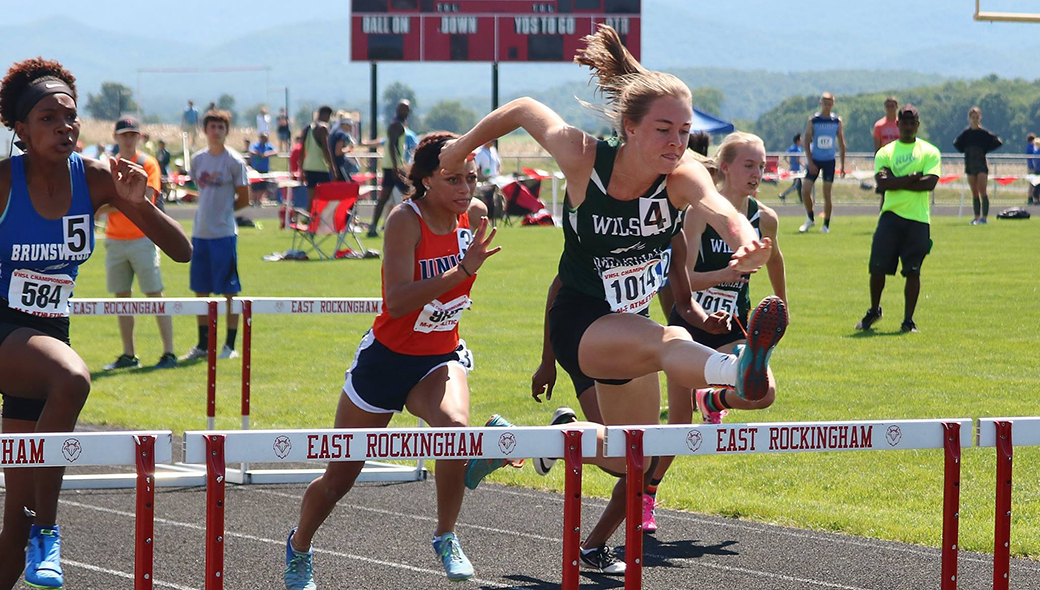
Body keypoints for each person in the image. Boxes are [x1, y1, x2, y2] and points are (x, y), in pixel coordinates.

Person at [443, 24, 787, 574]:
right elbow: (526, 109)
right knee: (671, 338)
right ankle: (731, 369)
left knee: (634, 460)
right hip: (580, 320)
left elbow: (719, 208)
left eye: (684, 130)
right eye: (663, 129)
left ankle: (521, 440)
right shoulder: (582, 158)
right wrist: (462, 148)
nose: (677, 142)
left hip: (627, 325)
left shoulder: (682, 175)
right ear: (629, 128)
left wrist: (745, 242)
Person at [0, 57, 191, 589]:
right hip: (5, 331)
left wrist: (141, 205)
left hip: (46, 336)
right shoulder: (3, 181)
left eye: (71, 116)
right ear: (18, 127)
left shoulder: (100, 179)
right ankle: (51, 531)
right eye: (46, 117)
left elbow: (181, 251)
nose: (64, 126)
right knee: (73, 379)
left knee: (11, 524)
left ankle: (32, 533)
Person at [283, 134, 502, 588]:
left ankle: (446, 534)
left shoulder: (475, 218)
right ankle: (300, 545)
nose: (465, 189)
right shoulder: (405, 221)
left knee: (454, 433)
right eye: (453, 179)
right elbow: (398, 302)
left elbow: (448, 295)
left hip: (439, 356)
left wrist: (464, 271)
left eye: (472, 179)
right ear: (424, 180)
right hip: (386, 361)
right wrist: (462, 272)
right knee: (338, 480)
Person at [646, 131, 788, 532]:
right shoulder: (697, 214)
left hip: (733, 326)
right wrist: (728, 272)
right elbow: (681, 279)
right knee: (675, 426)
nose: (757, 173)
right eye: (748, 164)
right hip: (689, 328)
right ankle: (647, 496)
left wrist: (782, 301)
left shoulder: (765, 218)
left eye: (762, 165)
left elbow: (775, 258)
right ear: (724, 167)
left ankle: (713, 400)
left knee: (762, 393)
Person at [100, 117, 177, 371]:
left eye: (133, 134)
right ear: (116, 137)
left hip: (143, 237)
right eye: (124, 134)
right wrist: (123, 201)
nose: (129, 139)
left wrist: (117, 202)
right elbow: (101, 205)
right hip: (115, 239)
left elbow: (145, 200)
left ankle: (169, 352)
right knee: (121, 298)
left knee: (154, 293)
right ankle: (128, 354)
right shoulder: (106, 165)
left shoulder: (146, 163)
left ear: (140, 137)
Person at [857, 104, 940, 334]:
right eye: (904, 122)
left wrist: (898, 180)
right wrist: (913, 178)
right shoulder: (886, 152)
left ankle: (908, 321)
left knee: (913, 271)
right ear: (898, 124)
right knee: (877, 268)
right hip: (890, 217)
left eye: (912, 122)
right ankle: (874, 310)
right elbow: (882, 184)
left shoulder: (930, 151)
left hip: (918, 219)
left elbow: (931, 183)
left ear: (918, 124)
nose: (908, 126)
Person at [181, 110, 249, 361]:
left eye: (221, 126)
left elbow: (244, 198)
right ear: (205, 130)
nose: (216, 131)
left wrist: (224, 213)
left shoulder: (234, 161)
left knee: (229, 291)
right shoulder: (198, 160)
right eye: (212, 126)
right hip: (200, 233)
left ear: (226, 131)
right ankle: (203, 344)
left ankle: (229, 345)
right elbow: (196, 190)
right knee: (201, 290)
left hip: (224, 234)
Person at [800, 92, 846, 233]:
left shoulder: (836, 121)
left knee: (827, 193)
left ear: (833, 104)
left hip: (829, 161)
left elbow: (841, 143)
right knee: (805, 190)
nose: (827, 105)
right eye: (825, 102)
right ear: (821, 103)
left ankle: (826, 225)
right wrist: (810, 161)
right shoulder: (813, 120)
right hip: (815, 160)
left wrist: (843, 165)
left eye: (830, 102)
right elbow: (806, 141)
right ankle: (810, 218)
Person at [368, 100, 412, 237]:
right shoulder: (396, 125)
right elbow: (392, 145)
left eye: (407, 109)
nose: (406, 112)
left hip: (392, 165)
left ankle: (373, 227)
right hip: (393, 167)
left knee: (385, 197)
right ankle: (413, 223)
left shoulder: (397, 124)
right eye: (404, 109)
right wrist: (396, 165)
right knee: (411, 193)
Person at [953, 106, 1002, 225]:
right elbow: (957, 143)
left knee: (982, 189)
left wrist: (985, 149)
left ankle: (984, 218)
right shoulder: (966, 133)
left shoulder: (983, 133)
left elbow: (997, 141)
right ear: (969, 118)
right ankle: (976, 216)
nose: (975, 119)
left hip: (981, 163)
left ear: (980, 117)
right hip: (970, 163)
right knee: (974, 192)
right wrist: (966, 150)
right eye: (972, 117)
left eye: (977, 117)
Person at [299, 105, 335, 209]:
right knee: (326, 195)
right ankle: (323, 218)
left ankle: (309, 220)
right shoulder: (323, 128)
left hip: (308, 166)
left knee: (310, 196)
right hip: (321, 167)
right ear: (325, 115)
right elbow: (326, 149)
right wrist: (332, 167)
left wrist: (301, 169)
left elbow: (302, 150)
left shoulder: (307, 129)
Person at [328, 112, 359, 182]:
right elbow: (338, 152)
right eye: (349, 125)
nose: (350, 127)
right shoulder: (341, 135)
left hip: (332, 165)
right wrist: (348, 149)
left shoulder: (334, 133)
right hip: (339, 165)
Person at [249, 132, 278, 205]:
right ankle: (253, 200)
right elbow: (251, 151)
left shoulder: (268, 146)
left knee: (263, 186)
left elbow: (275, 151)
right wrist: (258, 153)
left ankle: (259, 200)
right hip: (256, 170)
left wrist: (267, 154)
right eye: (264, 138)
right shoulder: (255, 145)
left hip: (265, 170)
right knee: (254, 186)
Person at [779, 133, 803, 203]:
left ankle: (802, 200)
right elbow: (797, 159)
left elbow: (785, 157)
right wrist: (803, 165)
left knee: (799, 185)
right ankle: (783, 195)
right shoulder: (797, 149)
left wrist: (790, 163)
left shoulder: (791, 148)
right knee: (796, 185)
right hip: (797, 169)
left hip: (793, 168)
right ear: (798, 140)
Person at [1026, 134, 1040, 205]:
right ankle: (1030, 198)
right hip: (1032, 168)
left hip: (1033, 167)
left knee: (1034, 184)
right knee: (1032, 184)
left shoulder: (1033, 147)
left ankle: (1032, 198)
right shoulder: (1031, 148)